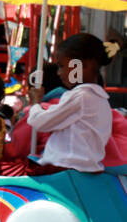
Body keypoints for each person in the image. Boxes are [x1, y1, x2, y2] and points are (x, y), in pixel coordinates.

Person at [21, 33, 113, 175]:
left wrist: (36, 103)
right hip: (86, 168)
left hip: (64, 167)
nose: (59, 73)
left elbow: (40, 122)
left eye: (62, 66)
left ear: (84, 66)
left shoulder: (80, 97)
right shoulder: (101, 99)